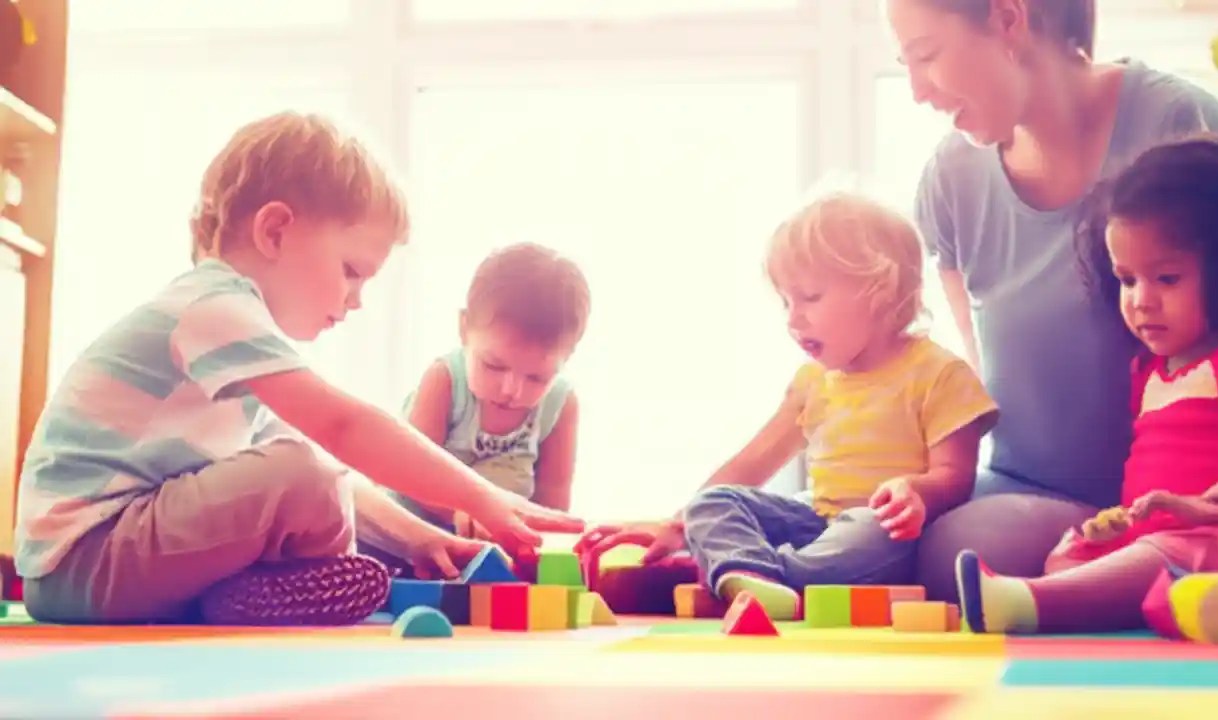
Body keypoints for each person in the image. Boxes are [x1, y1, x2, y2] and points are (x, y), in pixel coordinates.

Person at [14, 111, 582, 626]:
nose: (357, 298)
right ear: (275, 231)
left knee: (303, 467)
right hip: (87, 557)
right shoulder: (213, 308)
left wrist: (418, 539)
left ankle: (244, 596)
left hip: (98, 564)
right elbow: (341, 430)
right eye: (351, 270)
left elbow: (328, 470)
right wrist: (479, 496)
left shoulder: (234, 355)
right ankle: (281, 590)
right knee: (303, 467)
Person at [884, 0, 1218, 600]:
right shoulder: (951, 179)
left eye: (927, 55)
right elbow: (979, 382)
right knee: (892, 529)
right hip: (1024, 495)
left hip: (1179, 496)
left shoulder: (1180, 122)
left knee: (955, 553)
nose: (917, 91)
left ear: (1007, 19)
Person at [584, 191, 998, 619]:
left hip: (882, 533)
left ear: (882, 289)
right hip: (813, 523)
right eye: (786, 302)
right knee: (715, 501)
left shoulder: (940, 373)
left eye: (810, 297)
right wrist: (676, 524)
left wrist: (915, 492)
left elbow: (955, 476)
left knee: (868, 527)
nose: (793, 318)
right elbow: (750, 464)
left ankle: (744, 578)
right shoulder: (813, 381)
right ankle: (753, 578)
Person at [957, 134, 1218, 635]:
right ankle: (1197, 607)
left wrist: (1210, 503)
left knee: (1167, 553)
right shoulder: (1149, 374)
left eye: (1166, 279)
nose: (1141, 301)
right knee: (1068, 557)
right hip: (1153, 535)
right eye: (1127, 280)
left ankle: (1029, 603)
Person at [392, 242, 588, 544]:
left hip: (503, 543)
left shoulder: (562, 404)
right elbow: (411, 475)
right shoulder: (444, 379)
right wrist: (469, 514)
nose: (512, 390)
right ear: (464, 327)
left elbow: (553, 500)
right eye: (493, 366)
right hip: (418, 538)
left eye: (536, 377)